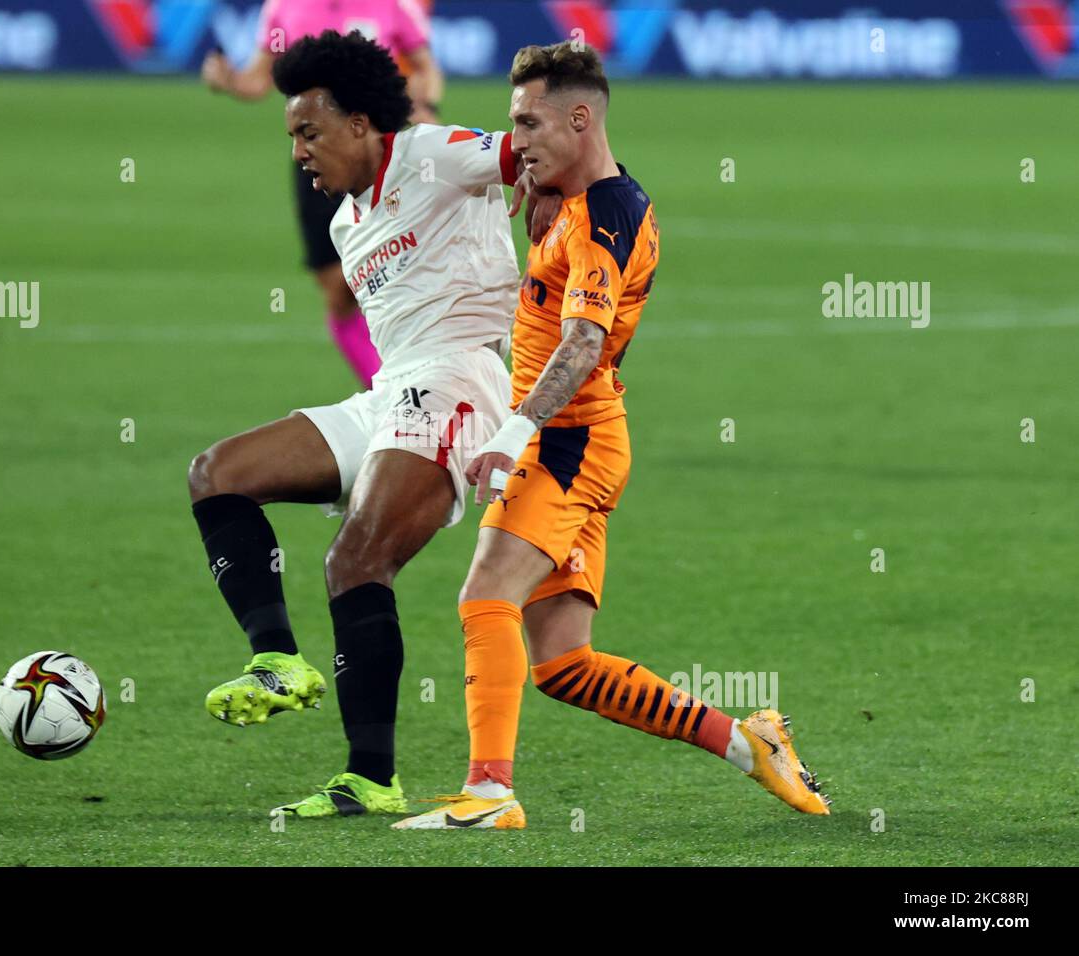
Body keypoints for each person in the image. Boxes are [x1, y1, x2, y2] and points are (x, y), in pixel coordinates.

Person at [394, 41, 830, 830]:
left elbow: (583, 343)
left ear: (581, 116)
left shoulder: (606, 217)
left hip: (568, 441)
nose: (516, 138)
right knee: (563, 664)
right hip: (587, 439)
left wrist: (515, 429)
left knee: (485, 596)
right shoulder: (569, 194)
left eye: (529, 121)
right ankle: (749, 742)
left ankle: (489, 794)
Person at [189, 30, 552, 819]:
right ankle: (277, 660)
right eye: (291, 137)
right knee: (218, 475)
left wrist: (562, 194)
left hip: (462, 378)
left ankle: (369, 778)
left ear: (361, 124)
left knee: (355, 559)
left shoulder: (432, 152)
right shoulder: (345, 224)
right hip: (392, 391)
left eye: (308, 132)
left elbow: (533, 150)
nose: (298, 153)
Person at [202, 0, 443, 387]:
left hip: (380, 157)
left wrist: (423, 105)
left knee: (398, 273)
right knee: (338, 289)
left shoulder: (395, 5)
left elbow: (427, 69)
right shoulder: (283, 7)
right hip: (315, 161)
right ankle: (386, 389)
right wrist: (228, 80)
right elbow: (257, 81)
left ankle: (416, 385)